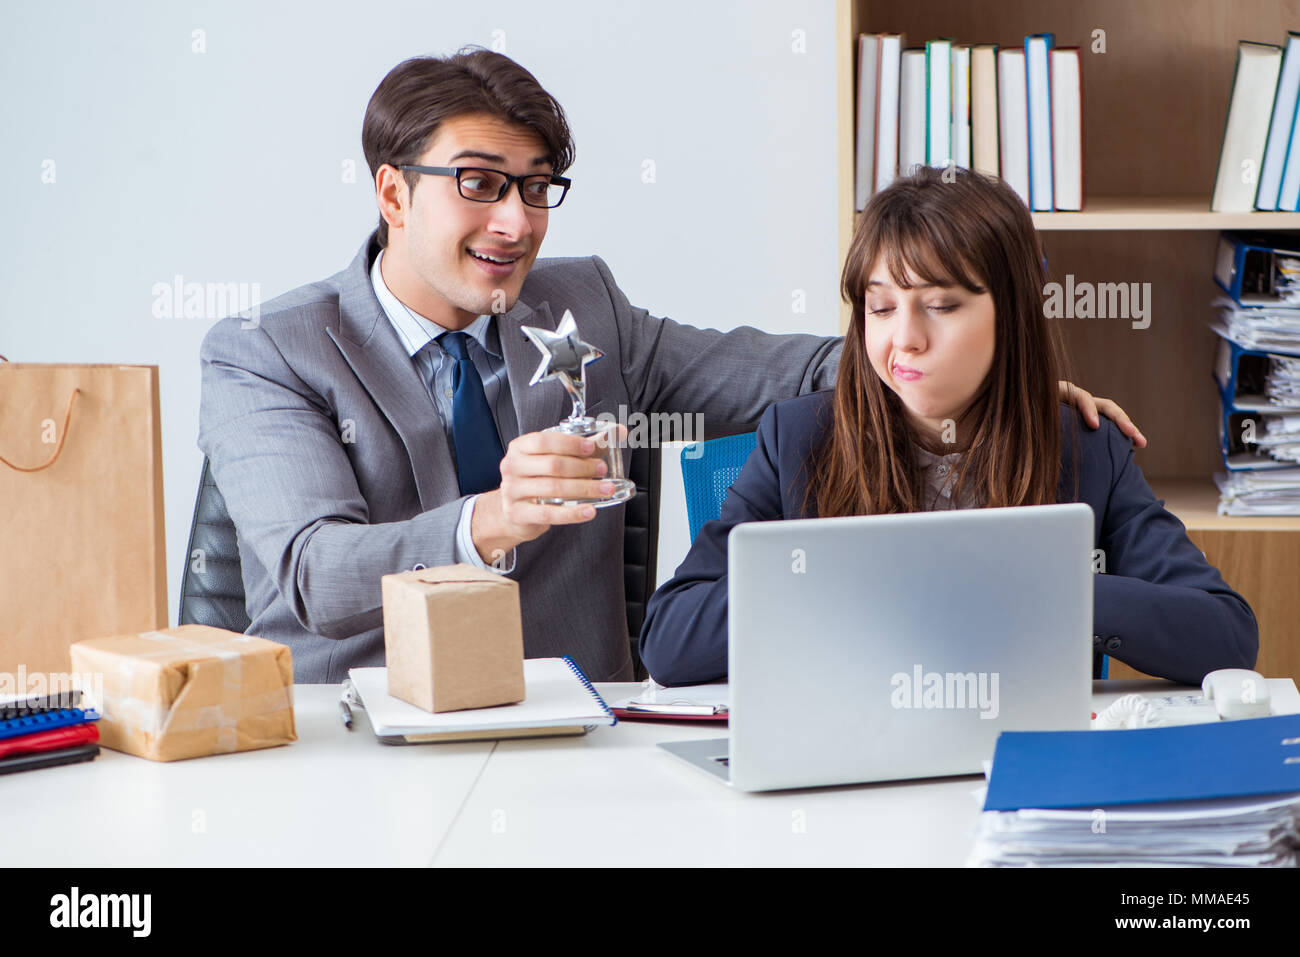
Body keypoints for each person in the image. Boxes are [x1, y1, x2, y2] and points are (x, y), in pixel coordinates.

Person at [199, 49, 1141, 684]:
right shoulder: (269, 347)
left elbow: (777, 368)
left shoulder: (582, 303)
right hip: (354, 736)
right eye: (480, 184)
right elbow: (312, 574)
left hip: (578, 730)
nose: (516, 222)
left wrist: (969, 378)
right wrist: (489, 519)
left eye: (535, 189)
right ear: (394, 193)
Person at [639, 166, 1258, 689]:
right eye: (880, 308)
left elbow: (1225, 637)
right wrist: (849, 577)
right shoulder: (798, 438)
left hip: (1013, 760)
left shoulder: (1085, 446)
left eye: (940, 305)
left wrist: (1042, 590)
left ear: (1011, 314)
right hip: (849, 758)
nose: (903, 337)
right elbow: (670, 640)